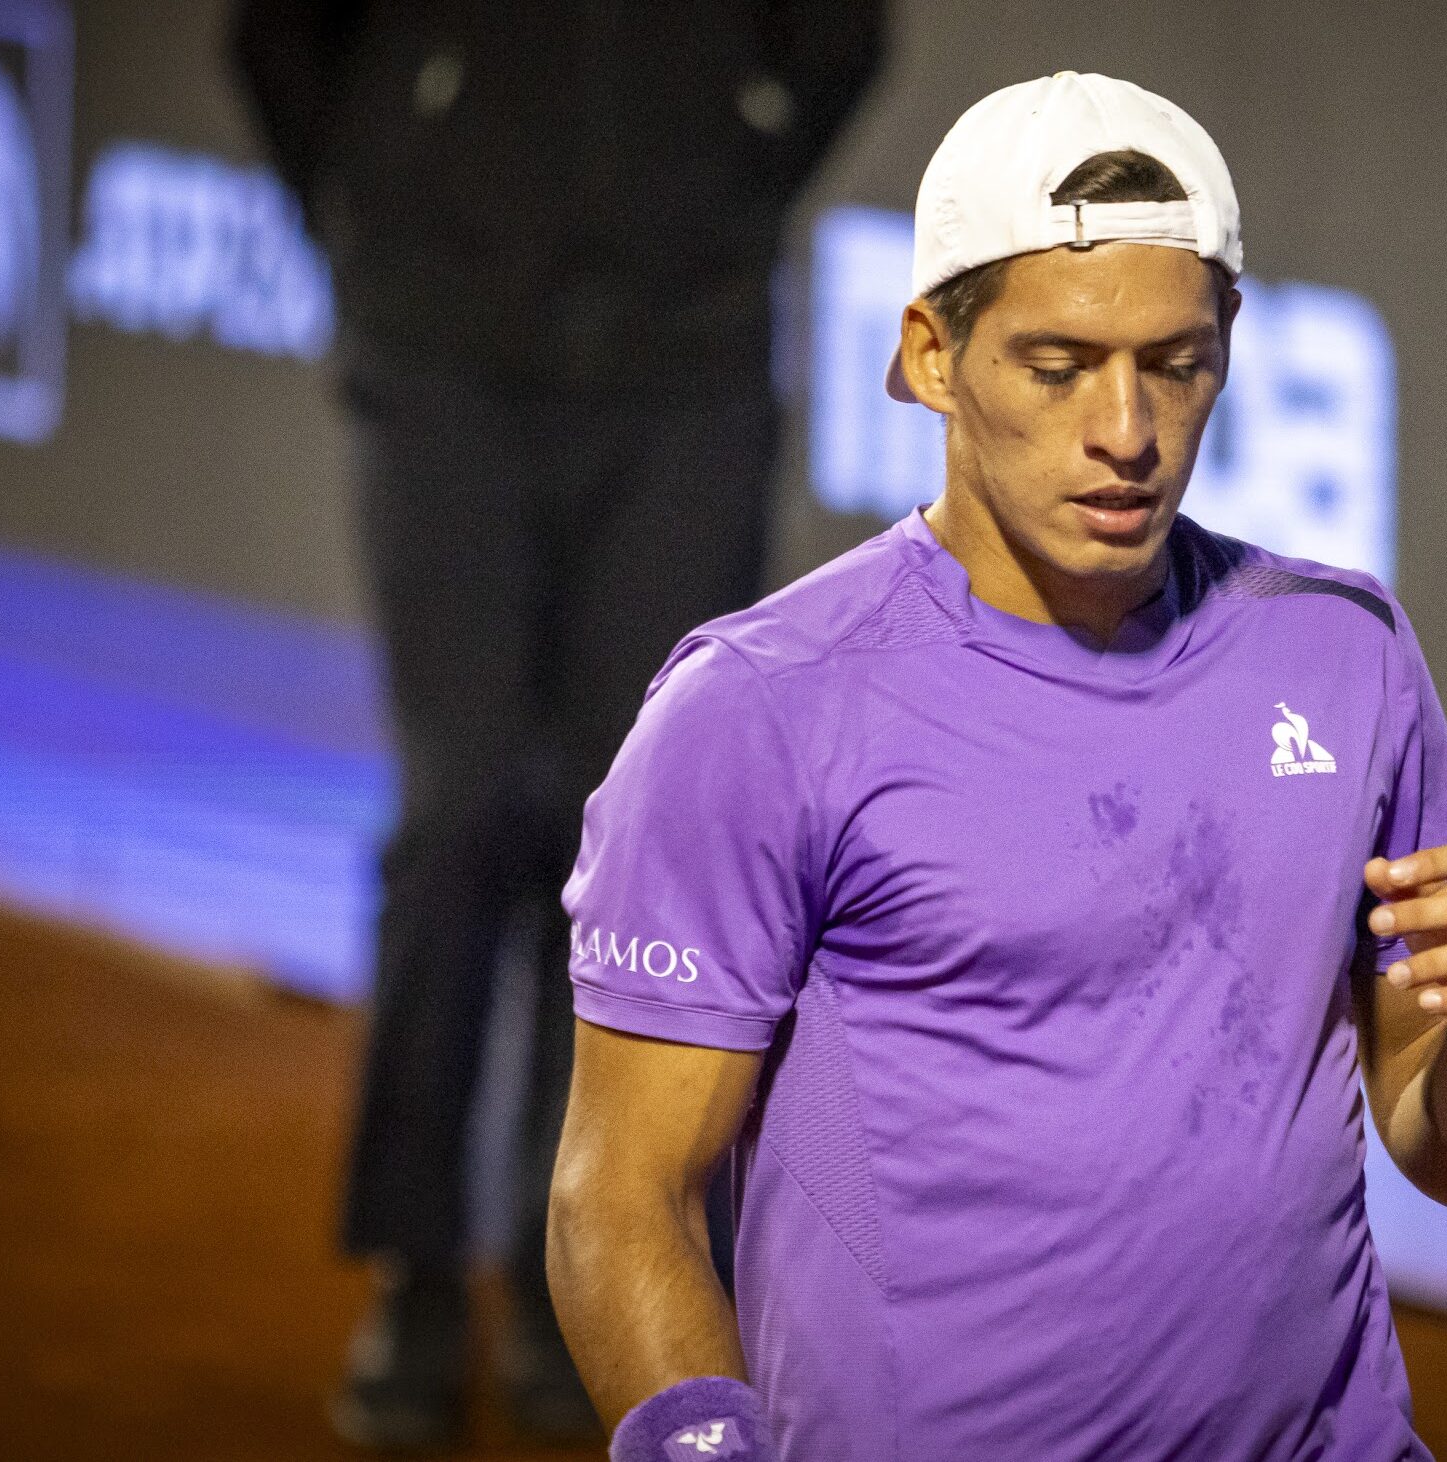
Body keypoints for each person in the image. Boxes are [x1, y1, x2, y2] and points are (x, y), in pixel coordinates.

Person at [547, 71, 1447, 1462]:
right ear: (926, 354)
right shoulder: (763, 711)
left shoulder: (1347, 656)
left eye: (1174, 360)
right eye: (1059, 366)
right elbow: (621, 1196)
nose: (1129, 432)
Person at [225, 1, 883, 1448]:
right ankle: (412, 1267)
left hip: (684, 364)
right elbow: (276, 34)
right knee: (456, 812)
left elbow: (842, 33)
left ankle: (556, 1262)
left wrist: (720, 175)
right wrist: (383, 205)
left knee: (630, 837)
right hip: (444, 347)